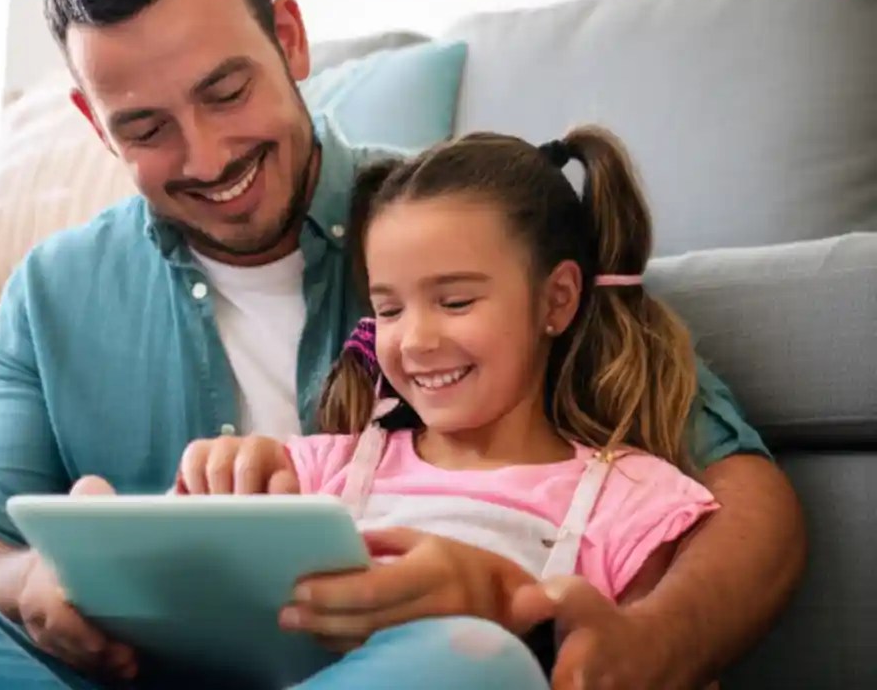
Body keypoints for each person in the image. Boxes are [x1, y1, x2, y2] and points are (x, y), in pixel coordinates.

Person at [0, 0, 805, 688]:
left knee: (463, 663)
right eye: (145, 128)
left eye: (226, 91)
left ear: (289, 40)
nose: (206, 156)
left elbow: (739, 489)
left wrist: (652, 646)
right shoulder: (53, 289)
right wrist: (39, 576)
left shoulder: (444, 223)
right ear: (93, 122)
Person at [175, 127, 722, 686]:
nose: (415, 341)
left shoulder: (631, 501)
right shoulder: (322, 472)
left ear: (556, 299)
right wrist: (221, 478)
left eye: (455, 302)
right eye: (389, 311)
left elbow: (653, 667)